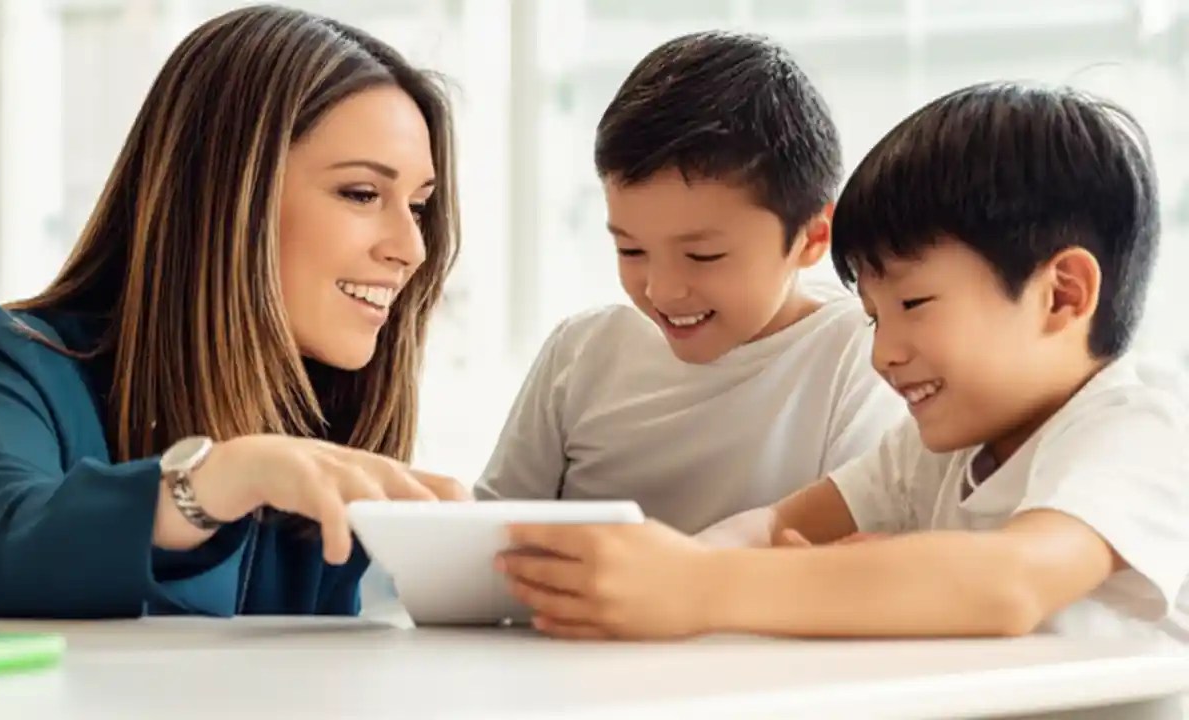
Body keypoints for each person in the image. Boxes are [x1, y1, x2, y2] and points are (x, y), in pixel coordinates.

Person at [497, 83, 1189, 646]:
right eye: (875, 316)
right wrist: (671, 568)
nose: (884, 353)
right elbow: (771, 526)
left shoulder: (1138, 428)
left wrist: (701, 587)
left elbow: (1007, 584)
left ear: (1062, 294)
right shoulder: (931, 455)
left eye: (914, 304)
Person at [0, 4, 467, 619]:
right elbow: (10, 550)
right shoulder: (2, 367)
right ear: (228, 197)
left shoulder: (321, 418)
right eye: (361, 193)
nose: (412, 248)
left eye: (418, 206)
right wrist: (217, 481)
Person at [475, 31, 904, 533]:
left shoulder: (863, 356)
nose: (662, 291)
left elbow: (863, 555)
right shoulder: (583, 353)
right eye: (631, 250)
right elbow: (482, 539)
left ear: (812, 238)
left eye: (703, 256)